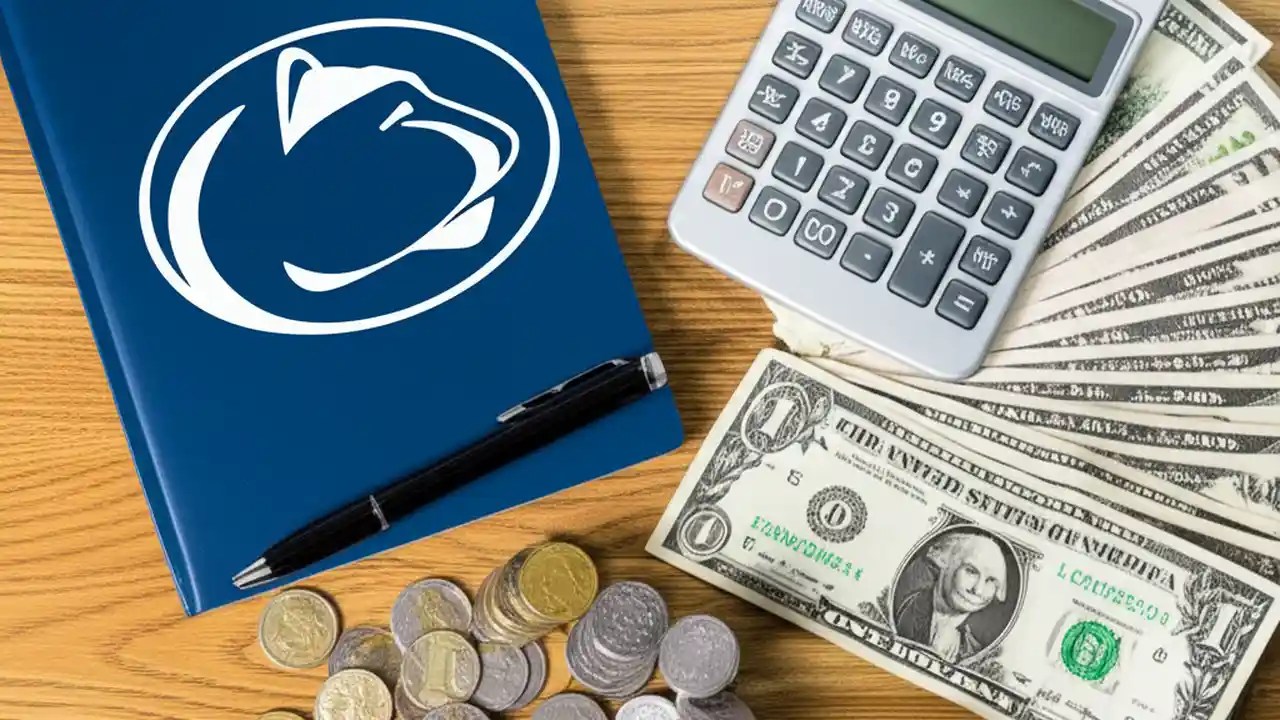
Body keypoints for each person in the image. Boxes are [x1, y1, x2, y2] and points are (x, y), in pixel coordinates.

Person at [895, 532, 1009, 663]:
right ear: (943, 561)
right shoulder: (905, 607)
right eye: (971, 571)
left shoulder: (972, 649)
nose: (978, 590)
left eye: (990, 580)